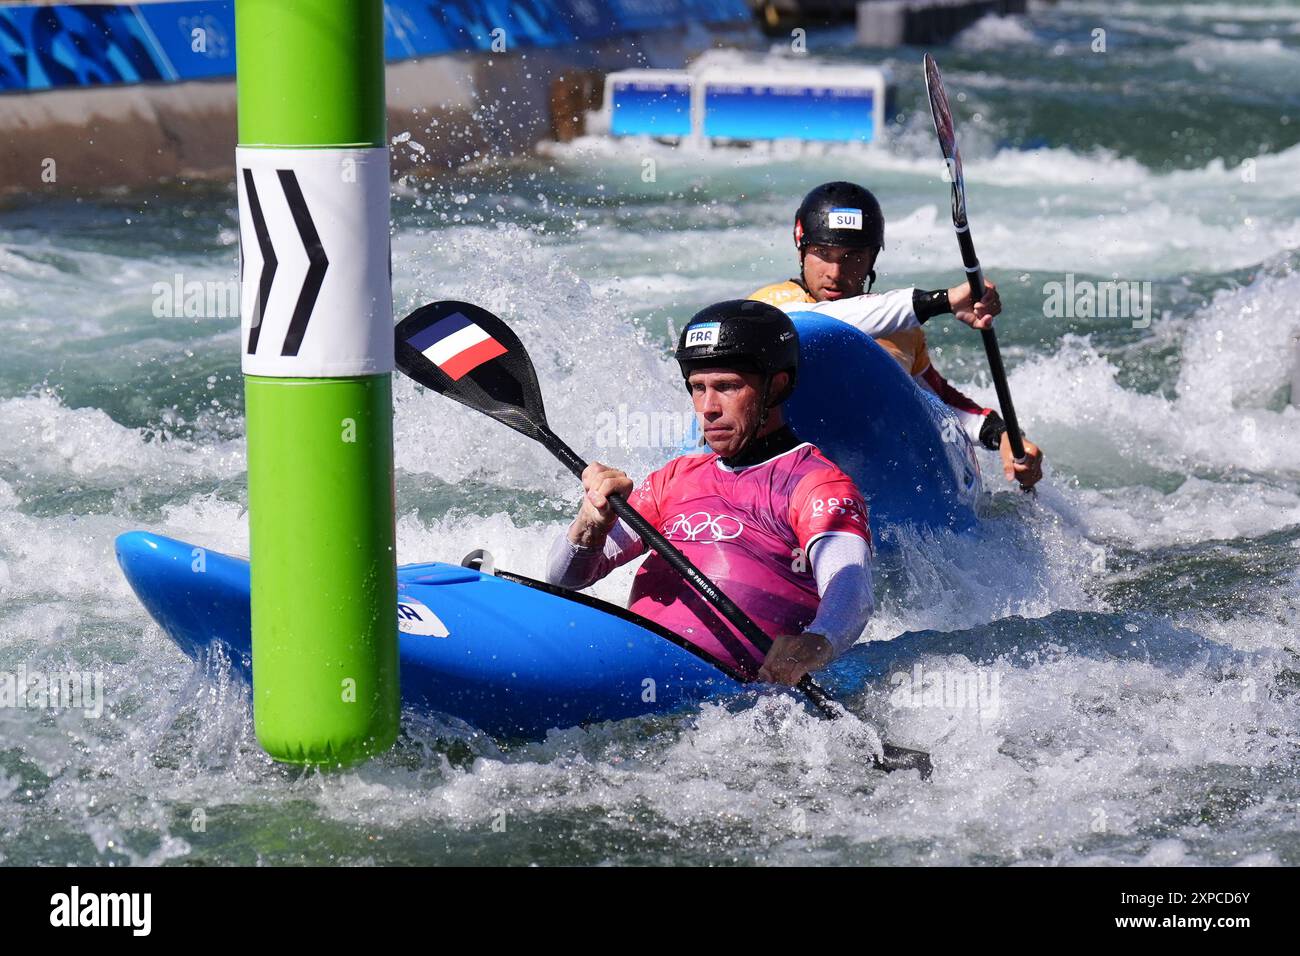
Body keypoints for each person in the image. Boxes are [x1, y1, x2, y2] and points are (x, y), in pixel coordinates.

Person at [546, 300, 875, 686]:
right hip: (636, 675)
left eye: (727, 387)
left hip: (732, 702)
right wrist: (591, 522)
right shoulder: (674, 478)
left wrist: (815, 644)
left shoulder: (814, 483)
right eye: (697, 388)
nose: (707, 408)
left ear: (777, 385)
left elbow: (852, 591)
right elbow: (565, 579)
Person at [749, 181, 1044, 490]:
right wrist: (942, 300)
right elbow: (824, 324)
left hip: (878, 470)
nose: (835, 272)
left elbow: (941, 403)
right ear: (802, 249)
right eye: (822, 253)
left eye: (853, 256)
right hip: (785, 475)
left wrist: (1004, 436)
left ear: (872, 259)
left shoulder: (903, 330)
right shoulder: (768, 308)